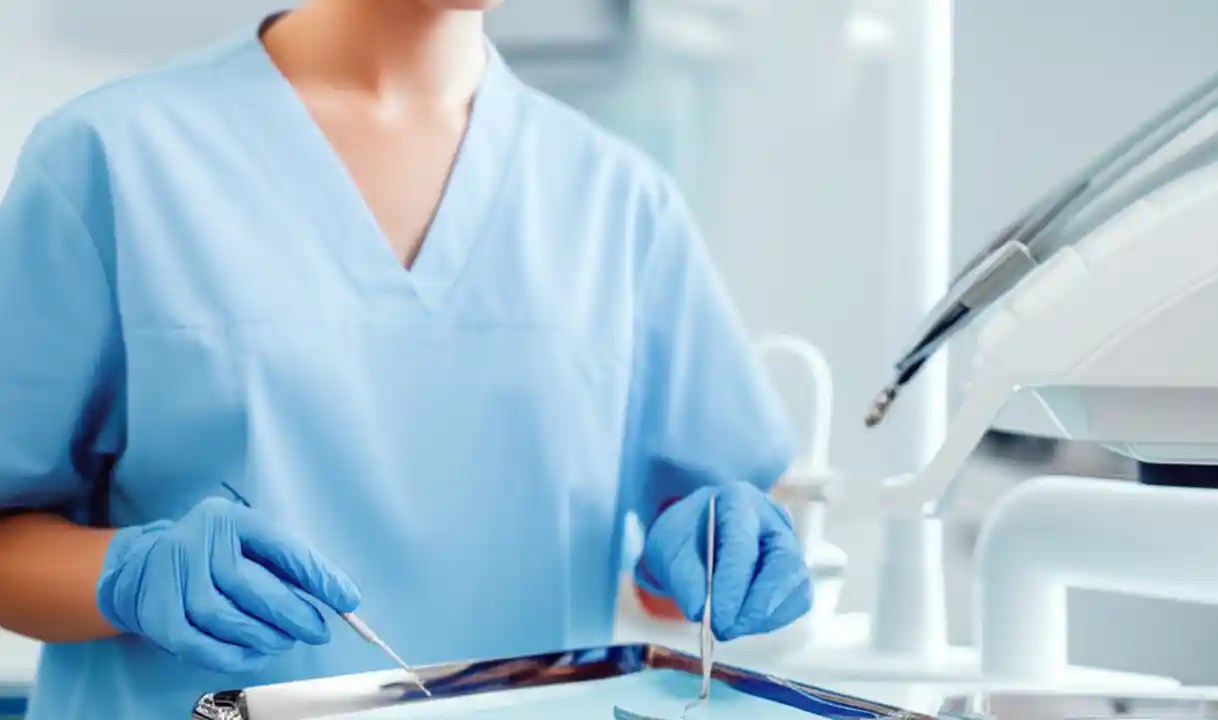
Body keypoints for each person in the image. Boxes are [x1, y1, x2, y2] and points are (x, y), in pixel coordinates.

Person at [0, 0, 813, 717]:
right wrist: (130, 575)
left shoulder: (619, 200)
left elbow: (679, 577)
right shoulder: (114, 156)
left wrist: (716, 555)